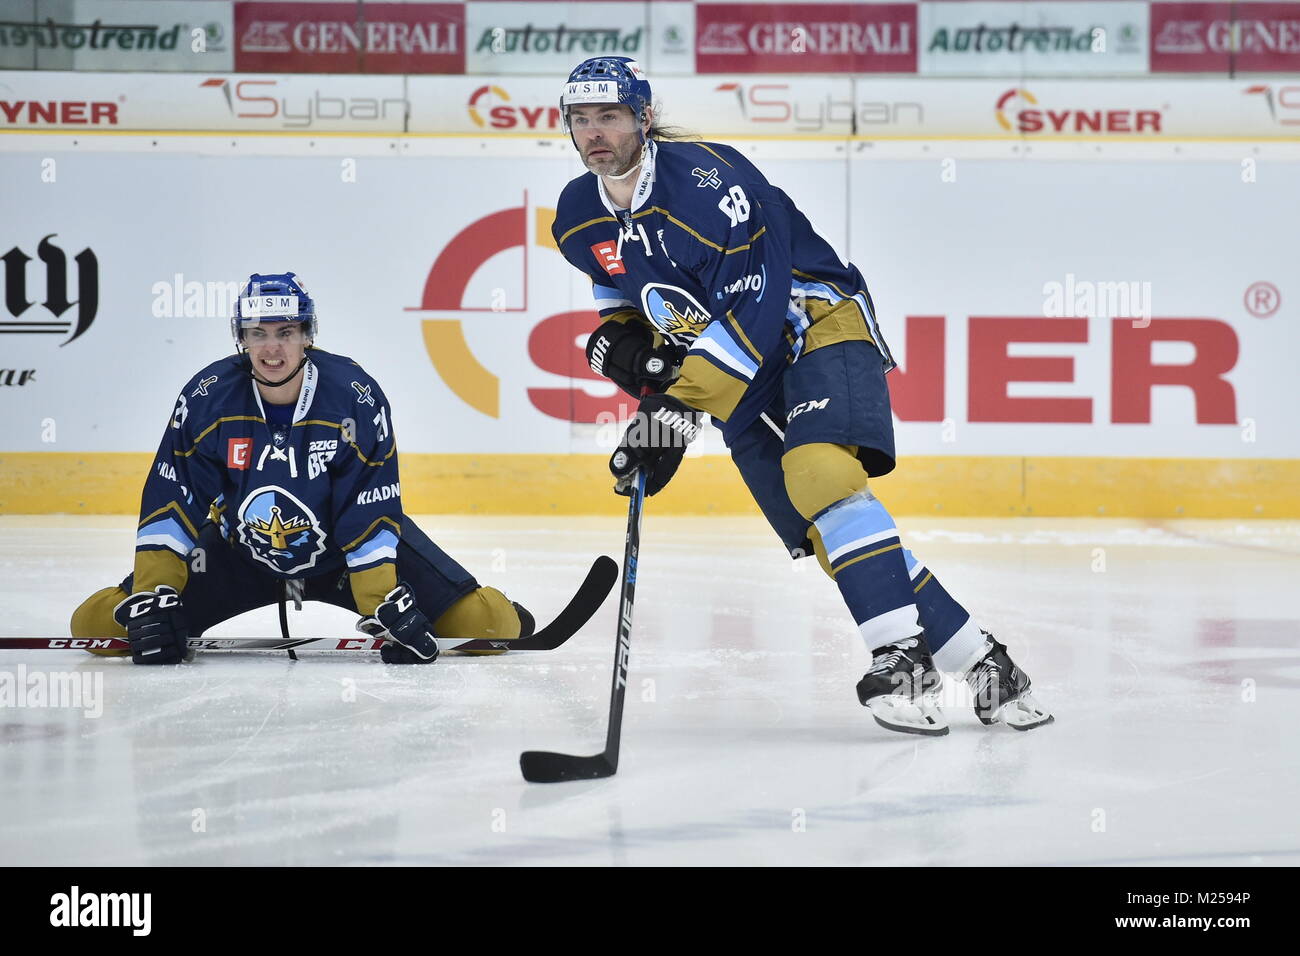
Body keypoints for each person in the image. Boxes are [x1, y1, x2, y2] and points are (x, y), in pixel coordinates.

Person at [552, 57, 1052, 735]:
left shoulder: (707, 182)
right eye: (580, 120)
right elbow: (620, 292)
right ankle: (987, 666)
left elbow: (754, 305)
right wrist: (637, 364)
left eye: (608, 116)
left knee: (820, 473)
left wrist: (675, 409)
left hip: (812, 322)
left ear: (642, 117)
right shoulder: (579, 212)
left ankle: (902, 661)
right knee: (825, 528)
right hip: (730, 361)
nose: (594, 133)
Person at [70, 272, 531, 665]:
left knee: (487, 628)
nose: (272, 349)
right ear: (241, 337)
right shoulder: (207, 398)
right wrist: (156, 596)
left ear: (307, 334)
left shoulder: (353, 395)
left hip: (342, 559)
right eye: (258, 333)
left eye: (286, 332)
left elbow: (368, 505)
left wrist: (385, 608)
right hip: (238, 553)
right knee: (97, 628)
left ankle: (505, 608)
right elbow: (174, 499)